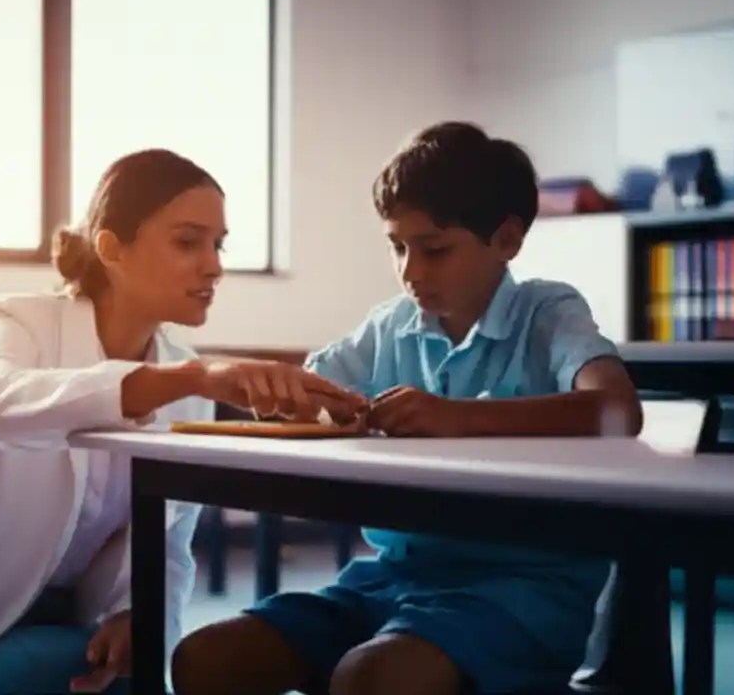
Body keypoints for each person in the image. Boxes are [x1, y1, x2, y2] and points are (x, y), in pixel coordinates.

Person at [0, 149, 366, 695]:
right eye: (187, 242)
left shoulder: (183, 377)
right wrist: (189, 378)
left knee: (129, 667)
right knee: (96, 679)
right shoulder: (15, 321)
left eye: (218, 244)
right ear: (111, 248)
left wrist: (134, 611)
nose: (214, 266)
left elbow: (169, 541)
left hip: (70, 621)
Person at [171, 123, 643, 695]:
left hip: (521, 592)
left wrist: (458, 418)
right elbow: (311, 389)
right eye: (398, 247)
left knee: (369, 679)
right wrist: (300, 400)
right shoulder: (391, 325)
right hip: (392, 579)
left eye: (435, 249)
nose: (411, 271)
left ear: (506, 240)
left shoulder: (548, 312)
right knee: (204, 659)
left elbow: (618, 411)